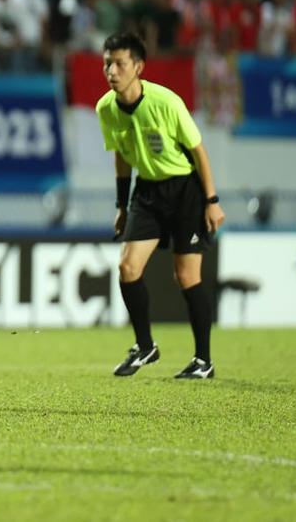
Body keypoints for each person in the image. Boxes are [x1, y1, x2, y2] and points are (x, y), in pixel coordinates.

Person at [95, 31, 225, 380]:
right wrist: (122, 205)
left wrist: (211, 201)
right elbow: (122, 157)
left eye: (120, 64)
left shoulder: (166, 102)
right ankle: (145, 346)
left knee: (186, 276)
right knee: (127, 268)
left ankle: (203, 361)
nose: (112, 71)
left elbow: (198, 152)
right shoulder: (106, 108)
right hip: (147, 193)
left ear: (138, 66)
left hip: (185, 192)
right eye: (107, 63)